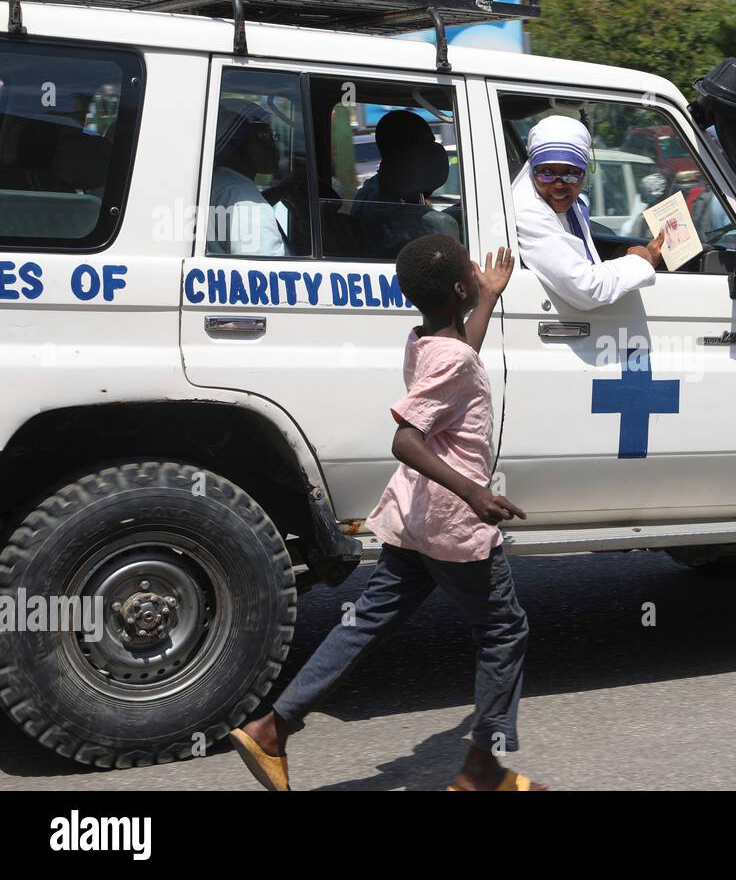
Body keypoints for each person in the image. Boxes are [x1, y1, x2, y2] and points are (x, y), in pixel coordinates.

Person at [230, 234, 545, 791]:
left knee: (364, 623)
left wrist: (490, 298)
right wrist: (474, 493)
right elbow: (406, 440)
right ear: (456, 288)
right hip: (451, 524)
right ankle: (481, 771)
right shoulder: (449, 357)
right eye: (472, 273)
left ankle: (271, 729)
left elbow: (460, 357)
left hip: (413, 516)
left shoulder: (424, 341)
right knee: (504, 632)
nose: (478, 273)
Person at [512, 115, 662, 310]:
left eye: (571, 174)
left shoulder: (564, 203)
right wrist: (642, 259)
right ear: (533, 169)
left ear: (584, 173)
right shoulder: (529, 211)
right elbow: (586, 288)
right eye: (547, 173)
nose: (559, 185)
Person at [207, 99, 288, 257]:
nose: (273, 143)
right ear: (237, 142)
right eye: (264, 136)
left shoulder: (221, 184)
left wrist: (281, 190)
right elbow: (266, 273)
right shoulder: (242, 198)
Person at [349, 110, 437, 219]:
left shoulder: (383, 189)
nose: (435, 153)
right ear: (409, 151)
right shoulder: (388, 205)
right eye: (429, 144)